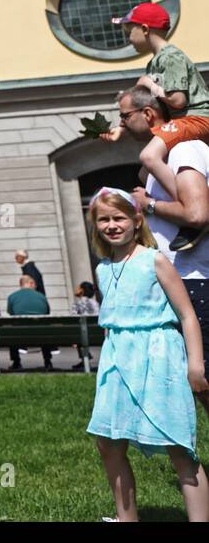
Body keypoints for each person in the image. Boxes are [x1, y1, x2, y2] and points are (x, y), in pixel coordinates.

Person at [85, 186, 208, 521]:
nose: (112, 225)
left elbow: (187, 315)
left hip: (159, 356)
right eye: (104, 219)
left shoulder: (155, 261)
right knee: (108, 441)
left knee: (178, 446)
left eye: (119, 218)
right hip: (117, 360)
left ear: (137, 220)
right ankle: (128, 519)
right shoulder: (103, 268)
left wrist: (195, 365)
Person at [123, 83, 209, 413]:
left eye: (124, 116)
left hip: (197, 281)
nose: (121, 124)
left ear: (148, 113)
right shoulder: (165, 158)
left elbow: (197, 213)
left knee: (203, 379)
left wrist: (149, 205)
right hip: (184, 281)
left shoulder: (185, 149)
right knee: (200, 384)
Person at [102, 3, 209, 250]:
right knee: (144, 173)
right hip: (182, 121)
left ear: (145, 29)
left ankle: (193, 214)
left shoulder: (171, 57)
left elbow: (178, 100)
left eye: (129, 31)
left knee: (149, 156)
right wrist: (121, 127)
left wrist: (149, 84)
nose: (128, 38)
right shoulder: (155, 62)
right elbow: (146, 102)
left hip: (196, 118)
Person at [6, 275, 53, 370]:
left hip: (20, 334)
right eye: (35, 284)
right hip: (41, 333)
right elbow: (47, 312)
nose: (36, 287)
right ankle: (48, 362)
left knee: (10, 331)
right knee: (45, 329)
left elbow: (11, 313)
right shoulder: (41, 296)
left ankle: (16, 362)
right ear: (31, 284)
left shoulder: (12, 297)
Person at [73, 281, 100, 370]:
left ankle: (84, 359)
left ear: (82, 290)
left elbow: (73, 319)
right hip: (97, 334)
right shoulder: (96, 303)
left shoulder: (77, 304)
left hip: (83, 335)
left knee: (79, 331)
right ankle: (86, 357)